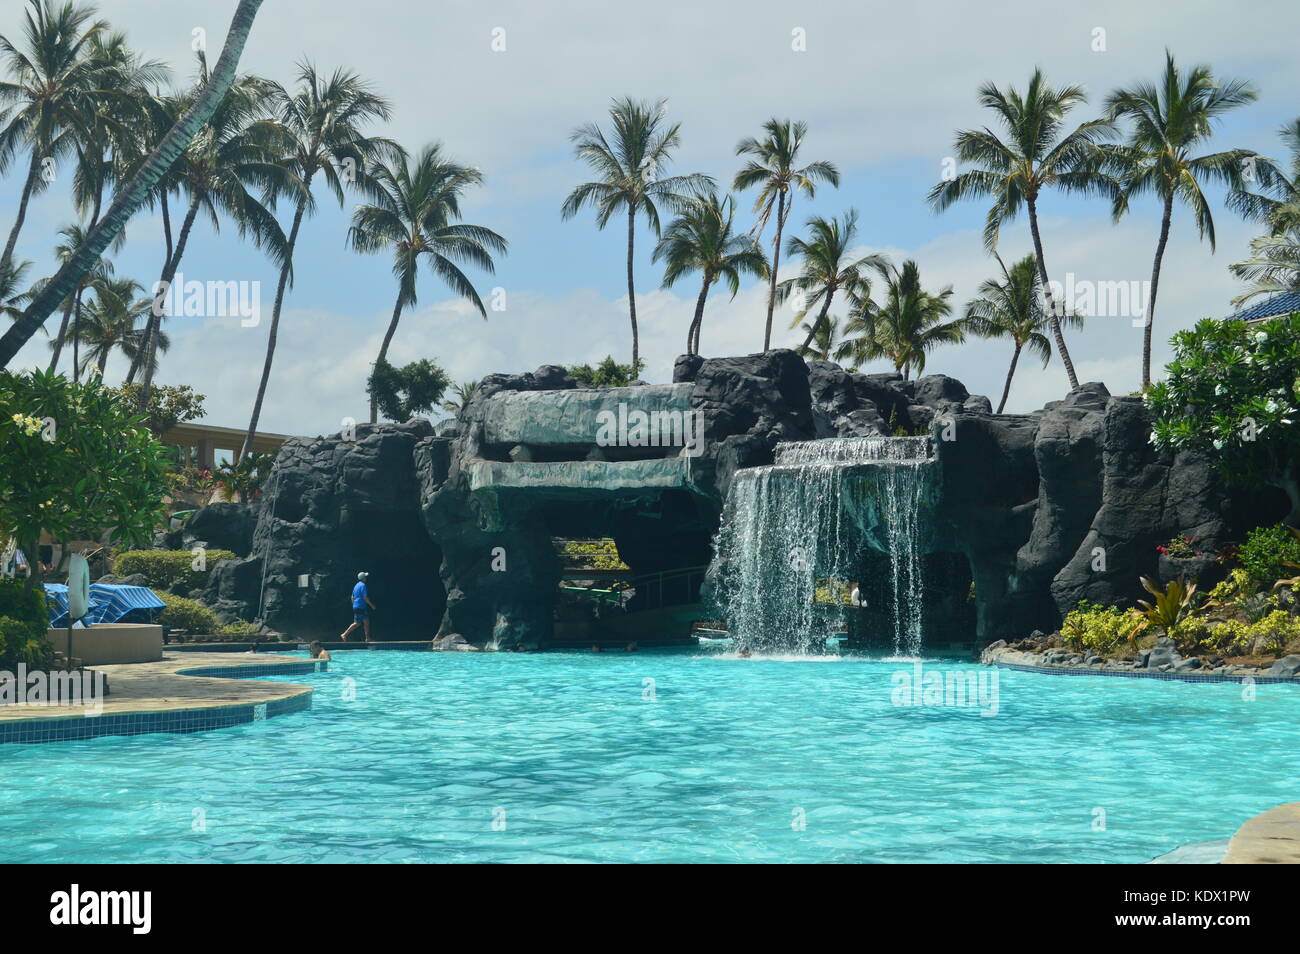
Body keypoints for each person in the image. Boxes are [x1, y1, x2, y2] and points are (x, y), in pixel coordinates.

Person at [338, 571, 376, 642]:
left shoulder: (356, 585)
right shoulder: (363, 585)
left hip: (357, 606)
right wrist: (372, 605)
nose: (366, 578)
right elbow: (365, 597)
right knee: (359, 623)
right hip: (361, 607)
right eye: (365, 577)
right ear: (363, 578)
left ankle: (367, 638)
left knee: (365, 621)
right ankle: (344, 634)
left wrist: (354, 605)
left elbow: (352, 597)